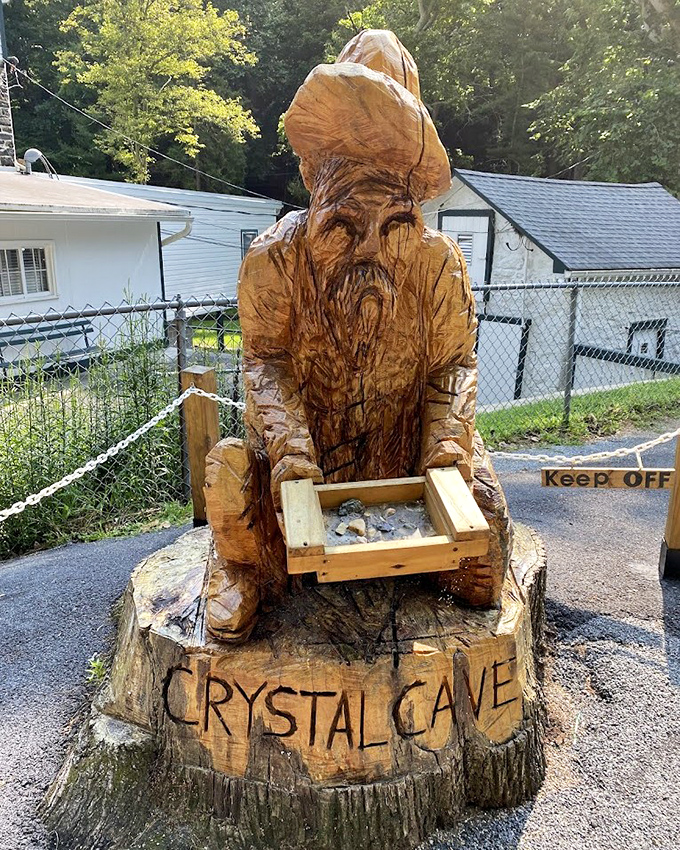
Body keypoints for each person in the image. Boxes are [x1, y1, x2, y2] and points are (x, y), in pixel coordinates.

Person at [204, 30, 512, 643]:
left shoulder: (440, 264)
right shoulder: (276, 259)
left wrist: (445, 454)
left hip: (405, 455)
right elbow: (265, 363)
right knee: (228, 476)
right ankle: (245, 569)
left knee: (486, 551)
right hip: (303, 467)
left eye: (394, 224)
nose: (370, 250)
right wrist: (292, 453)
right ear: (314, 186)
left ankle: (431, 550)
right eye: (346, 224)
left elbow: (453, 366)